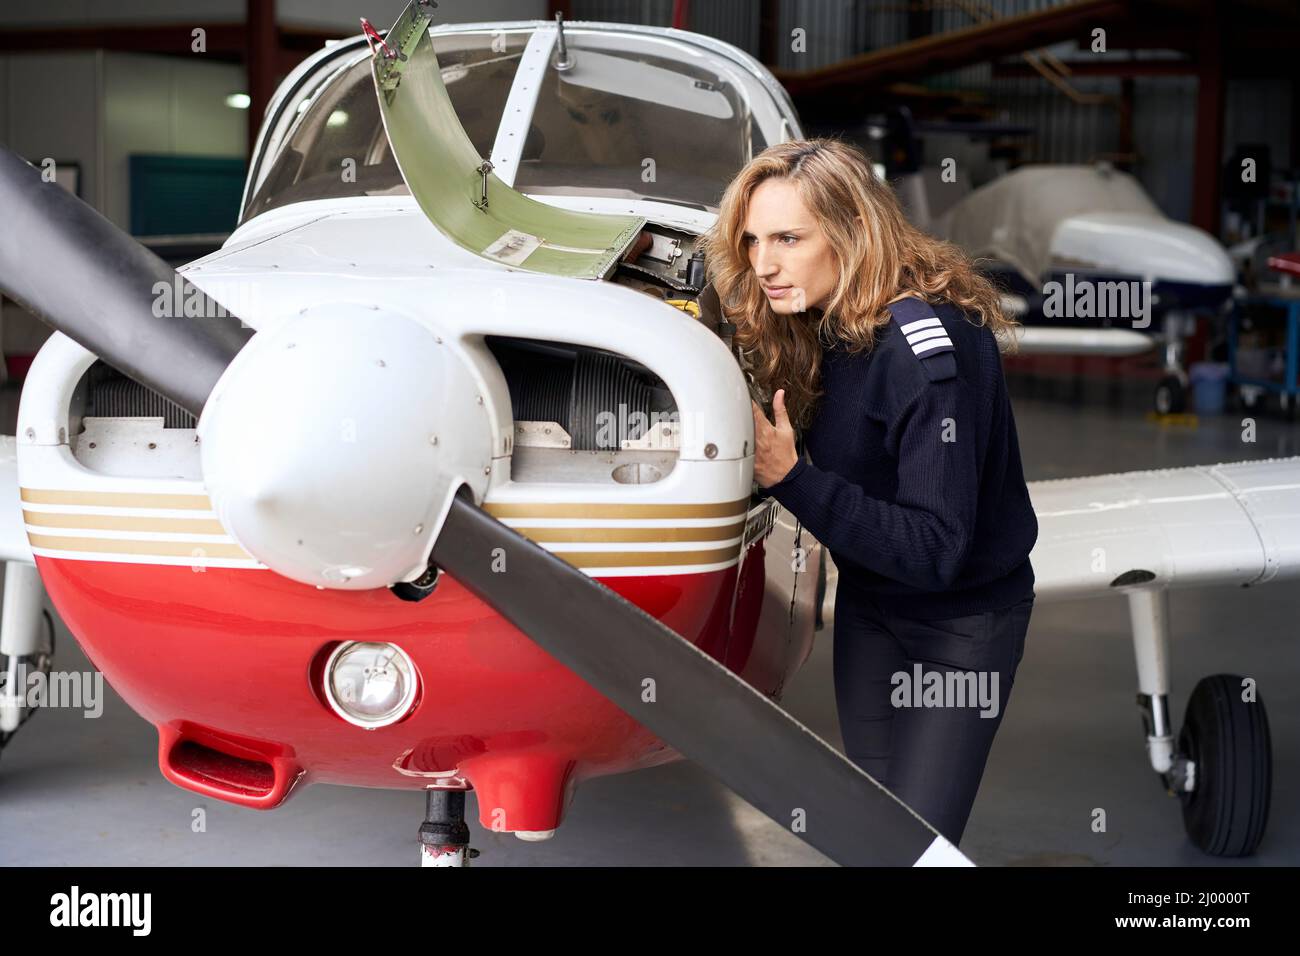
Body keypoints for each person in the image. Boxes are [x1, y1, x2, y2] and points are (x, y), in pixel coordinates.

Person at [701, 138, 1038, 847]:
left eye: (790, 238)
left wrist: (792, 479)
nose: (764, 264)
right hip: (871, 606)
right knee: (871, 835)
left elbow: (936, 549)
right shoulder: (821, 320)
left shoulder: (923, 353)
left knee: (915, 845)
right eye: (754, 240)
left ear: (852, 233)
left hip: (960, 624)